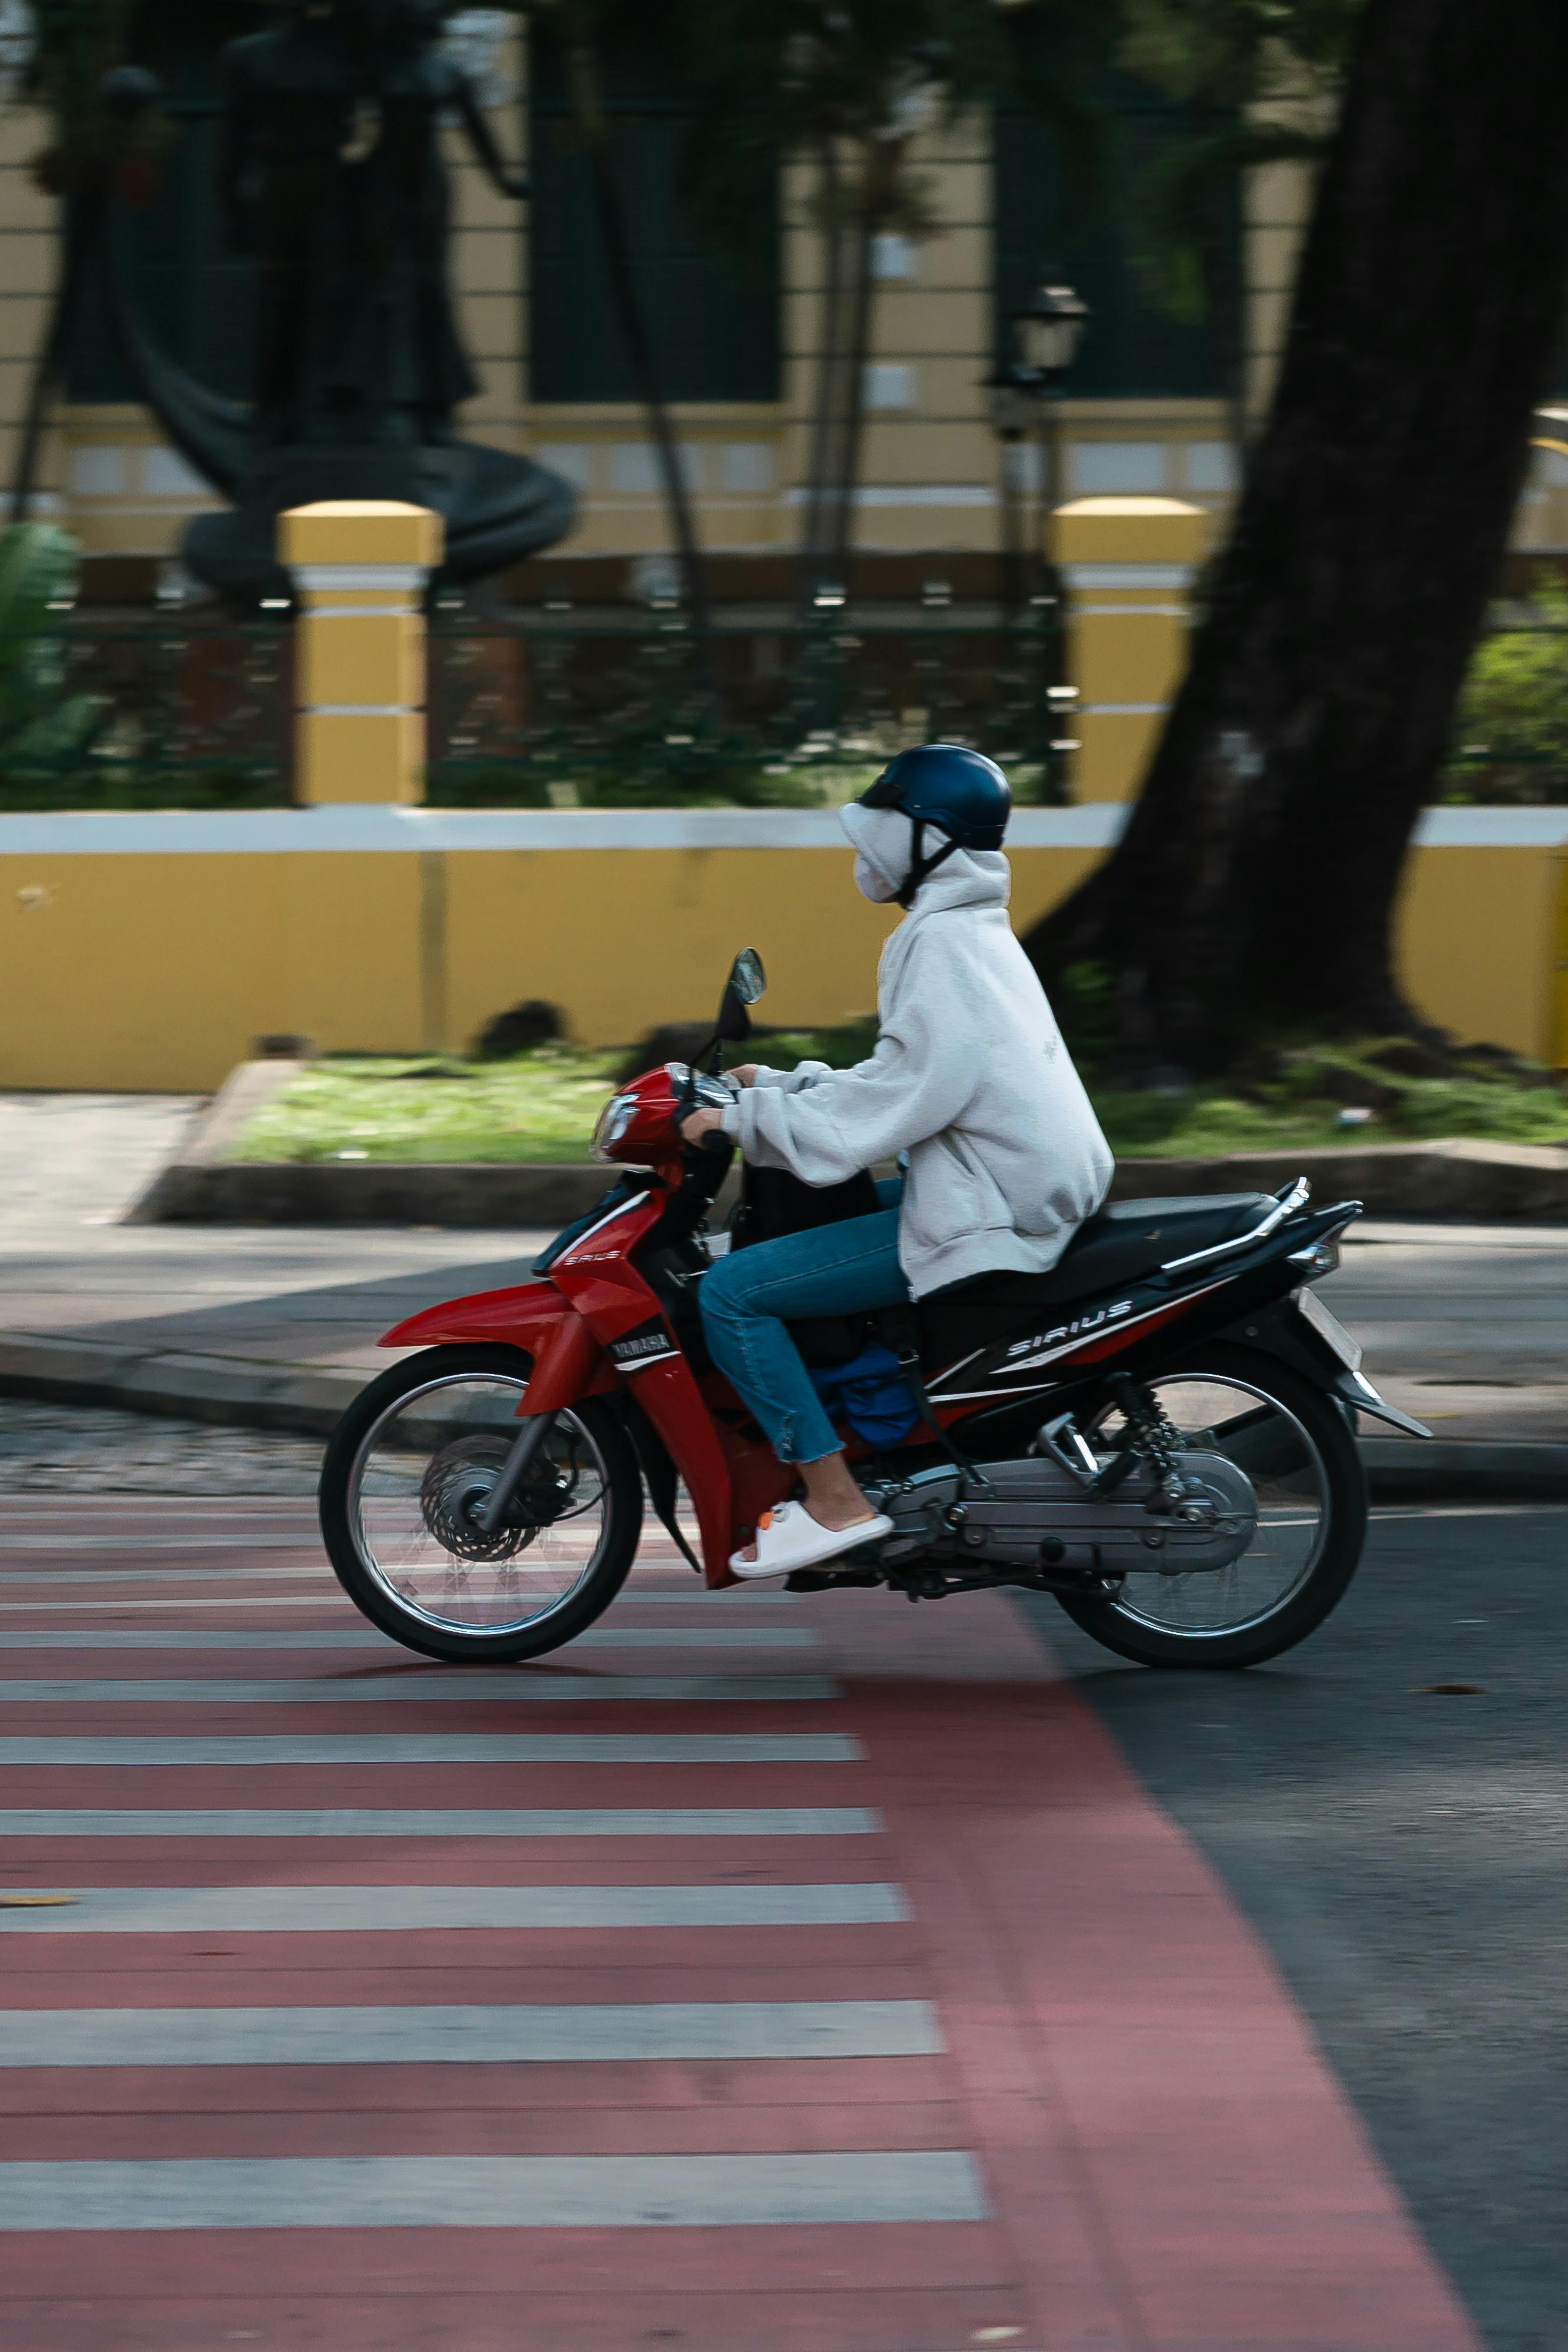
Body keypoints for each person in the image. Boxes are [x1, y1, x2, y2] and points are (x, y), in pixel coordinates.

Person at [680, 743, 1114, 1579]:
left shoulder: (941, 942)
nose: (862, 854)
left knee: (733, 1294)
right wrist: (780, 1084)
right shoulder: (964, 929)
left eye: (873, 835)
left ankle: (835, 1499)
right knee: (810, 1231)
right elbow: (918, 1075)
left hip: (989, 1206)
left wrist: (746, 1120)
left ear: (926, 840)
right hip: (995, 1183)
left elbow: (907, 1094)